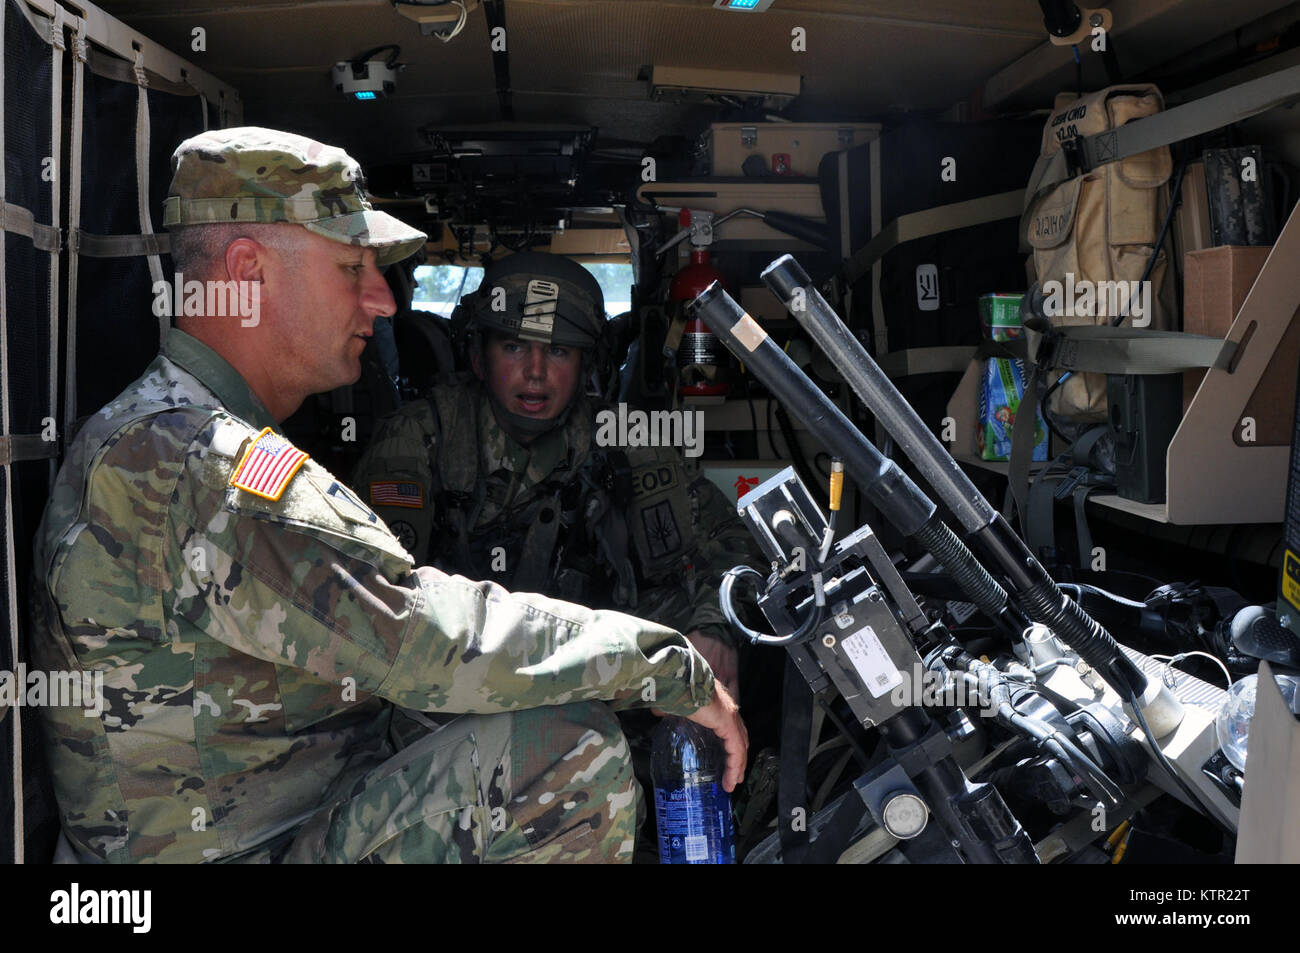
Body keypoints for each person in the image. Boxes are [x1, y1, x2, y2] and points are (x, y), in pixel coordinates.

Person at [28, 126, 745, 864]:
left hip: (259, 815)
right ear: (247, 272)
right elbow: (417, 633)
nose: (382, 300)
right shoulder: (196, 461)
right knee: (565, 753)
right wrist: (667, 667)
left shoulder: (172, 439)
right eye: (351, 266)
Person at [352, 252, 760, 699]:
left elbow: (729, 544)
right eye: (513, 346)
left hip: (595, 666)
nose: (535, 372)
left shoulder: (623, 437)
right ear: (477, 354)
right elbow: (373, 595)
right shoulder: (420, 436)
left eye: (558, 351)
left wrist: (713, 628)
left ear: (587, 365)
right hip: (450, 672)